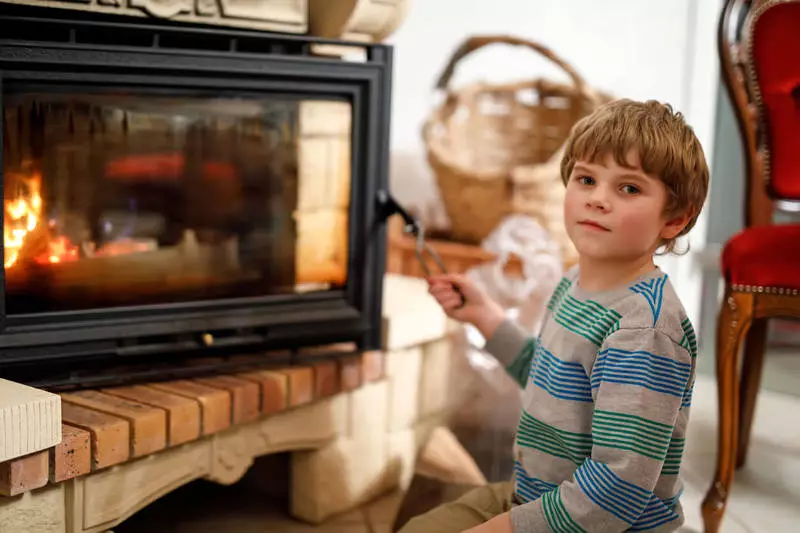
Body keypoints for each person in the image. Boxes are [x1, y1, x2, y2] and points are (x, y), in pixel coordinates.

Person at [408, 99, 709, 533]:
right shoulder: (574, 284)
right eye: (587, 179)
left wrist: (502, 529)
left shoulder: (644, 330)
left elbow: (616, 490)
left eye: (628, 188)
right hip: (538, 498)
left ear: (675, 219)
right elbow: (551, 378)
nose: (598, 200)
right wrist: (486, 316)